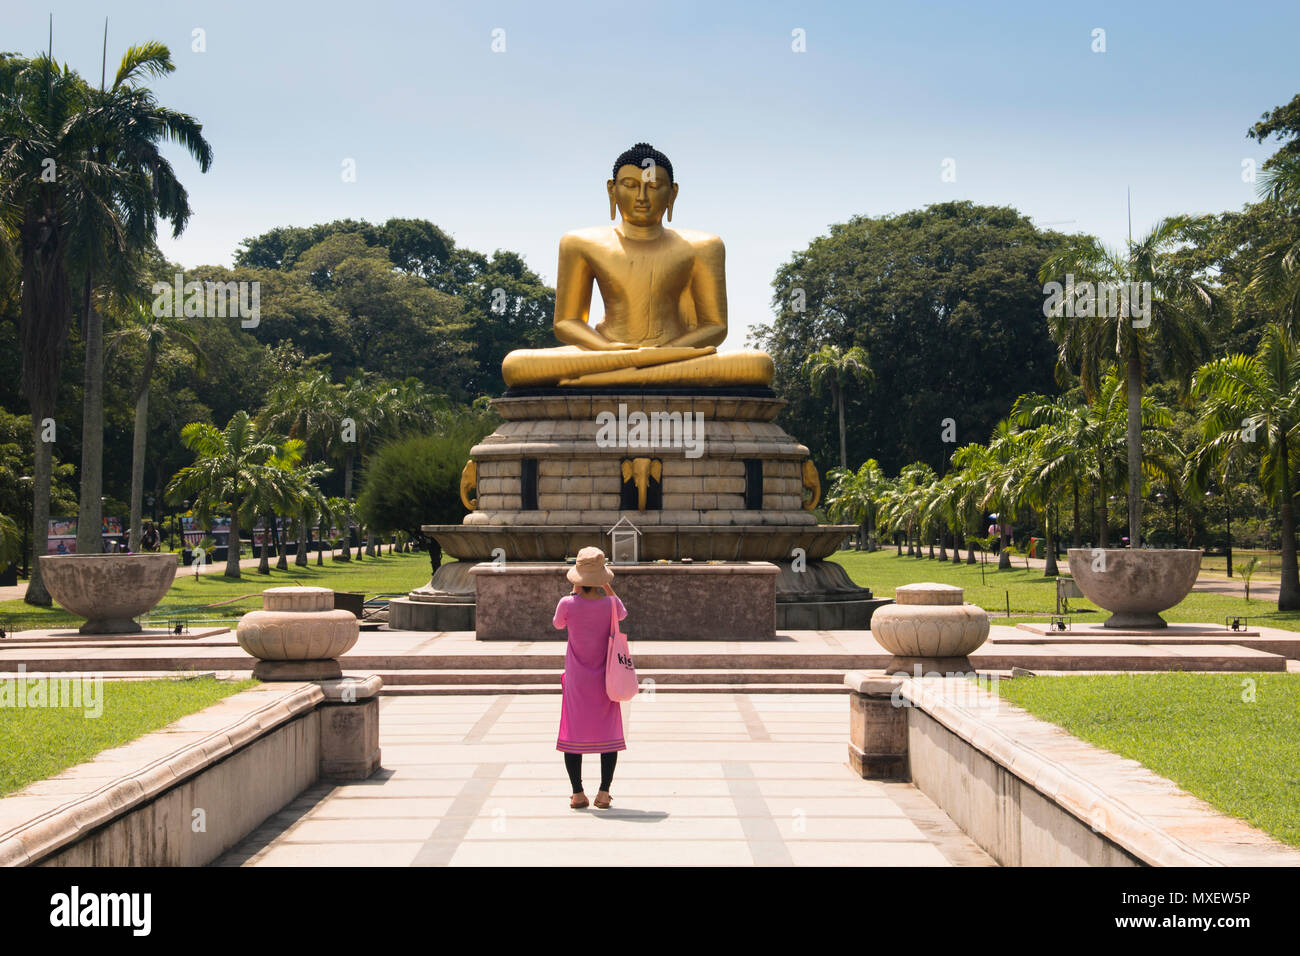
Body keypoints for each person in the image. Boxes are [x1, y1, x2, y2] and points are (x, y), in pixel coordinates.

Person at [553, 546, 627, 809]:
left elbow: (558, 624)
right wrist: (607, 588)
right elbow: (622, 614)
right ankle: (604, 792)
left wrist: (575, 591)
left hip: (576, 679)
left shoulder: (567, 604)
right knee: (609, 731)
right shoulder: (611, 604)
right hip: (606, 678)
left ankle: (577, 793)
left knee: (573, 733)